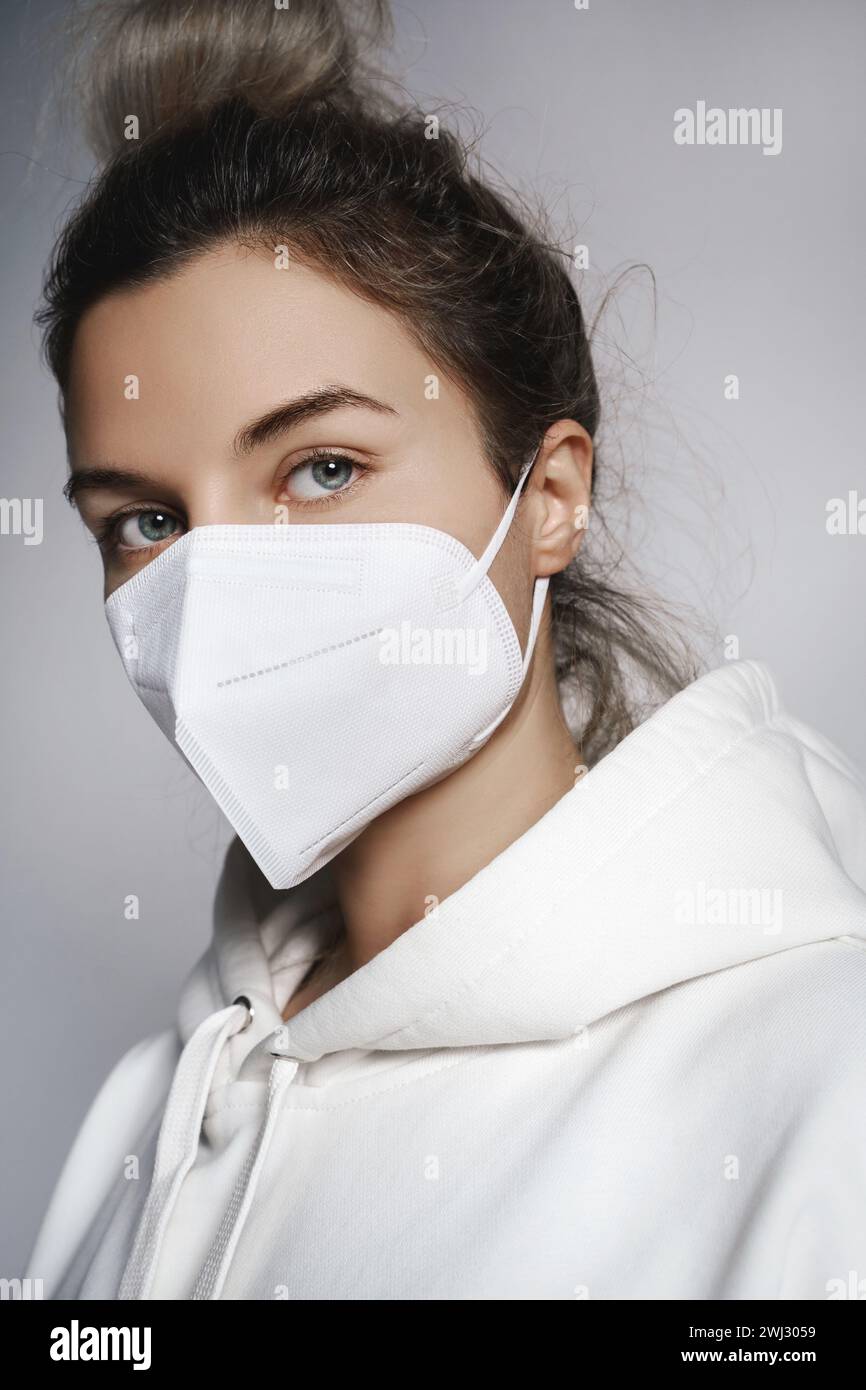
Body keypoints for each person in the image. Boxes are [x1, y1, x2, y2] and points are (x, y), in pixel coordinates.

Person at [23, 0, 866, 1300]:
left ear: (548, 497)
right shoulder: (159, 1101)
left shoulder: (820, 1076)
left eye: (319, 466)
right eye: (143, 519)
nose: (218, 584)